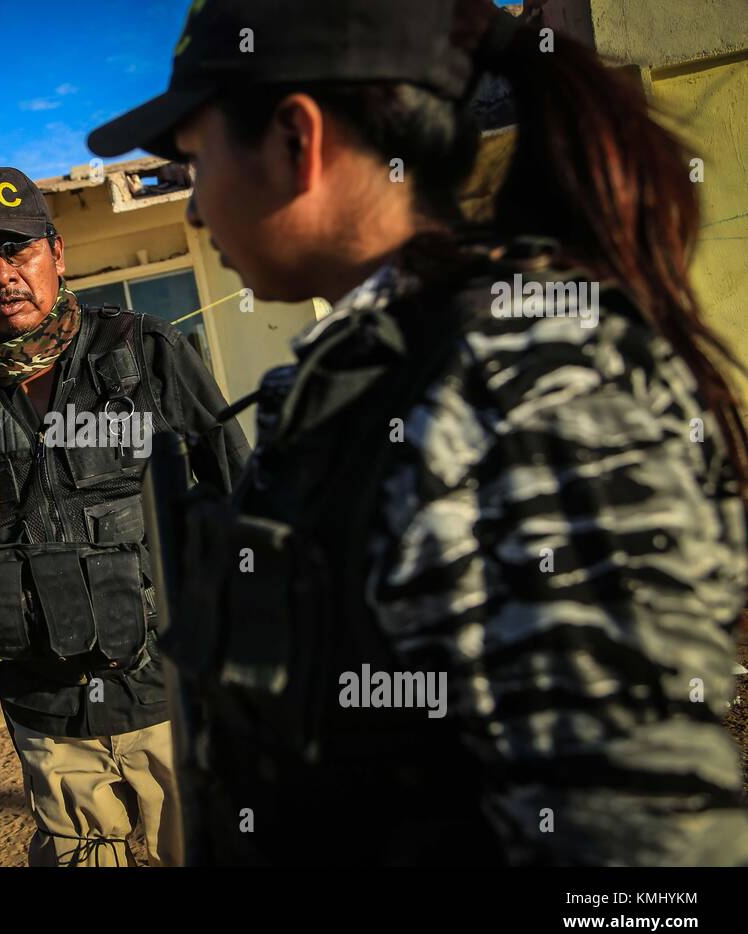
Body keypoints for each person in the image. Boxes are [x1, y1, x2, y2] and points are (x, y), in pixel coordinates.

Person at [87, 0, 748, 865]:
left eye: (197, 158)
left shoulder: (525, 381)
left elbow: (644, 860)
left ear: (296, 141)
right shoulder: (362, 369)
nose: (199, 211)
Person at [0, 166, 248, 865]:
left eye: (17, 249)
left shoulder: (147, 353)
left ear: (56, 253)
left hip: (171, 702)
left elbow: (242, 510)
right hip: (46, 722)